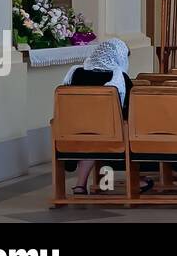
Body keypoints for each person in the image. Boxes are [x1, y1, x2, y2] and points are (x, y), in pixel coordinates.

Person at [60, 39, 145, 194]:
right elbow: (131, 108)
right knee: (133, 128)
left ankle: (80, 184)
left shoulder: (76, 73)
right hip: (109, 132)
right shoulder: (119, 78)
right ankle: (136, 179)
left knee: (91, 136)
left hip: (74, 130)